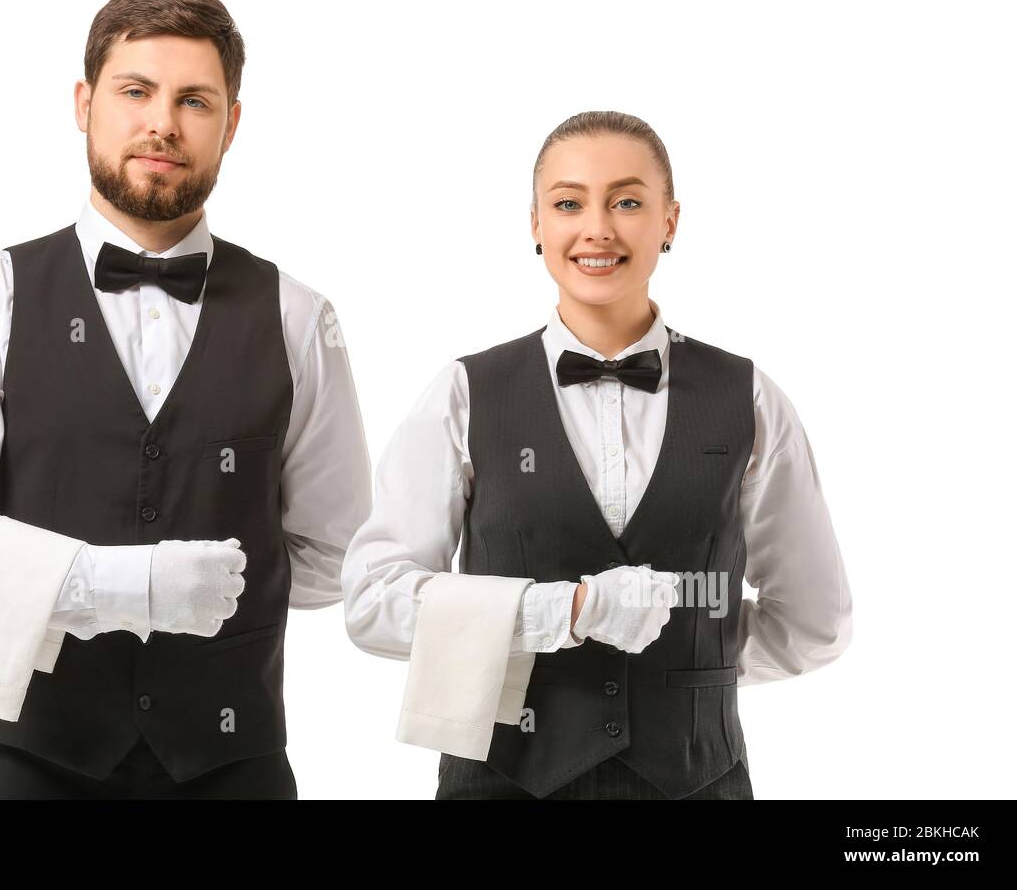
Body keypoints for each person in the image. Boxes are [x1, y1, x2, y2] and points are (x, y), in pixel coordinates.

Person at [0, 0, 372, 799]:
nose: (163, 124)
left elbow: (335, 552)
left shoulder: (298, 315)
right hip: (19, 761)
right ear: (84, 103)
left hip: (230, 764)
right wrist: (116, 586)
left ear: (232, 124)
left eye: (194, 101)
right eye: (135, 91)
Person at [341, 110, 852, 800]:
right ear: (536, 224)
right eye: (569, 202)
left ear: (669, 221)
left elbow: (815, 620)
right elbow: (373, 601)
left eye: (629, 202)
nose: (598, 228)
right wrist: (567, 613)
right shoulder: (465, 392)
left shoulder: (750, 397)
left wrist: (688, 665)